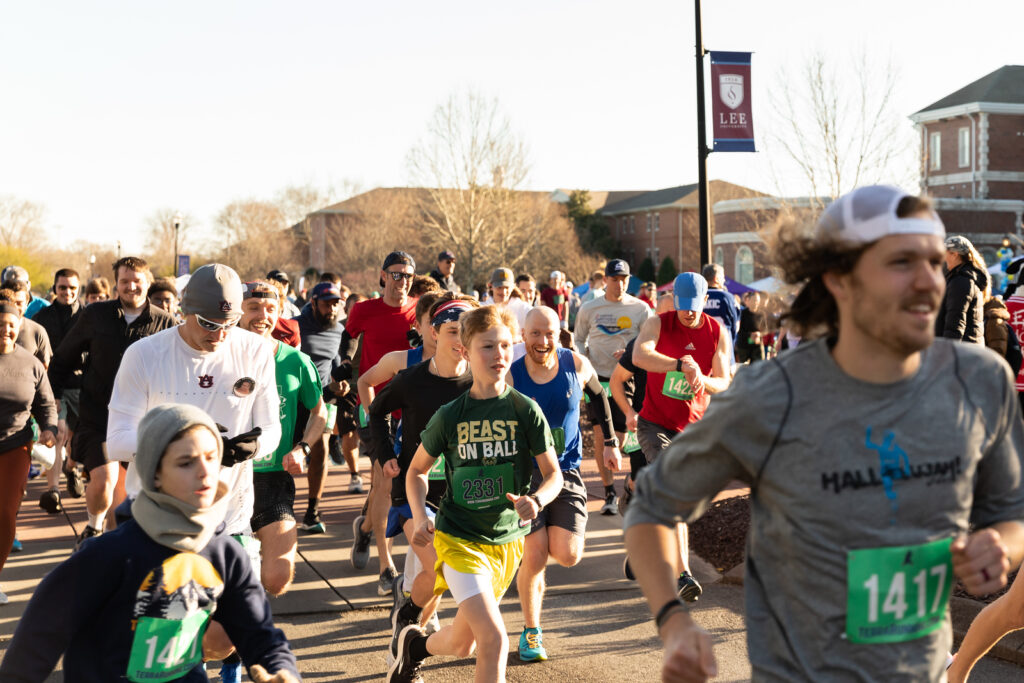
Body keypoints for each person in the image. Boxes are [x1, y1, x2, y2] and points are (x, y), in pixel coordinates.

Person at [625, 185, 1024, 681]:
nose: (927, 281)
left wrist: (999, 545)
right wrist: (673, 621)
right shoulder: (773, 395)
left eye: (931, 261)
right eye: (901, 262)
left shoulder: (979, 380)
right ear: (839, 279)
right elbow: (650, 508)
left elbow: (1014, 514)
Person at [0, 403, 300, 682]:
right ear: (154, 474)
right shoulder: (105, 556)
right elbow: (32, 647)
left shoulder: (224, 553)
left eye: (211, 457)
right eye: (185, 462)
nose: (204, 471)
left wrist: (281, 671)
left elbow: (262, 637)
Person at [105, 263, 281, 682]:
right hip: (158, 517)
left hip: (229, 515)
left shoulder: (255, 350)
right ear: (184, 310)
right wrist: (187, 446)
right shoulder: (144, 355)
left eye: (229, 322)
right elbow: (117, 440)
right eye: (207, 322)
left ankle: (202, 659)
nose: (219, 333)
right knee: (162, 645)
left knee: (225, 636)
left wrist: (255, 445)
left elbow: (272, 428)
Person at [389, 304, 563, 683]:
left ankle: (413, 647)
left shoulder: (525, 411)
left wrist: (538, 500)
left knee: (464, 643)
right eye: (487, 346)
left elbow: (554, 475)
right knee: (495, 638)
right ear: (466, 352)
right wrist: (420, 516)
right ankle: (413, 645)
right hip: (458, 540)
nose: (498, 355)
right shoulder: (451, 414)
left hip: (506, 543)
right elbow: (416, 470)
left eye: (504, 346)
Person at [510, 306, 621, 662]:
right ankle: (531, 632)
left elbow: (600, 396)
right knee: (536, 555)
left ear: (560, 333)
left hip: (567, 472)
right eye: (536, 334)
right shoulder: (511, 376)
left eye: (550, 333)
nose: (543, 341)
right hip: (525, 478)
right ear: (524, 336)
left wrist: (610, 443)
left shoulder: (576, 364)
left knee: (569, 555)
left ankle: (525, 564)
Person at [372, 295, 478, 651]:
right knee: (442, 566)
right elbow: (376, 411)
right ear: (434, 333)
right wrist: (386, 453)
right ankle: (408, 636)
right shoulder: (410, 380)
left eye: (468, 331)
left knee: (434, 576)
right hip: (413, 488)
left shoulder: (482, 383)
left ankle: (407, 621)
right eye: (453, 331)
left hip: (459, 494)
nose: (461, 340)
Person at [48, 257, 176, 541]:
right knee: (106, 479)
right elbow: (63, 359)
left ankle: (114, 540)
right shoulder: (95, 315)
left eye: (137, 281)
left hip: (144, 419)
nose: (131, 287)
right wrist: (54, 398)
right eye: (124, 281)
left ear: (147, 282)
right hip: (98, 416)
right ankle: (93, 529)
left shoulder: (165, 323)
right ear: (116, 283)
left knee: (128, 490)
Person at [628, 271, 733, 603]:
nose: (689, 312)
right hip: (653, 424)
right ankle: (684, 575)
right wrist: (679, 365)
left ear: (706, 301)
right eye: (683, 305)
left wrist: (702, 377)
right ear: (675, 301)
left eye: (695, 306)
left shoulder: (717, 332)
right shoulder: (659, 323)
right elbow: (639, 356)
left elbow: (724, 382)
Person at [239, 280, 327, 596]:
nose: (263, 315)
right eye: (253, 308)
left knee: (276, 577)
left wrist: (303, 448)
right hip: (226, 479)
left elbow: (319, 412)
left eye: (271, 309)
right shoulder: (220, 357)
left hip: (273, 480)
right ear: (238, 310)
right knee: (227, 583)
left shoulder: (295, 361)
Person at [337, 251, 418, 584]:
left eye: (408, 276)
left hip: (409, 407)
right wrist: (344, 362)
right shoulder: (364, 310)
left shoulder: (418, 309)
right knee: (384, 482)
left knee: (386, 481)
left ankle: (366, 526)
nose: (402, 281)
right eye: (396, 274)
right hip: (373, 406)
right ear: (383, 276)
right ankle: (387, 566)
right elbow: (349, 337)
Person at [358, 291, 445, 595]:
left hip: (445, 465)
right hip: (402, 447)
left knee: (429, 542)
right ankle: (385, 565)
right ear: (420, 327)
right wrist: (378, 438)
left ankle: (408, 587)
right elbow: (365, 382)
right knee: (384, 490)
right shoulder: (402, 361)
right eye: (433, 322)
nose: (441, 327)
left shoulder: (467, 363)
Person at [573, 258, 652, 514]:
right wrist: (583, 361)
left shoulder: (640, 308)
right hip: (597, 378)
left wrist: (631, 352)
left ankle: (627, 486)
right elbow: (578, 338)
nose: (619, 284)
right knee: (601, 435)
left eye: (624, 279)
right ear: (605, 280)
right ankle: (608, 492)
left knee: (621, 436)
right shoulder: (589, 308)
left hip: (627, 378)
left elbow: (649, 340)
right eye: (615, 279)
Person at [0, 299, 57, 605]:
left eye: (10, 325)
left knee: (6, 514)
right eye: (0, 324)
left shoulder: (31, 364)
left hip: (15, 445)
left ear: (18, 325)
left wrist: (48, 428)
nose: (5, 330)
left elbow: (46, 404)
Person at [294, 281, 347, 533]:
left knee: (321, 451)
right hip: (293, 399)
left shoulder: (338, 330)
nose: (332, 309)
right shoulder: (296, 325)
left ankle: (312, 512)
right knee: (287, 452)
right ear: (313, 302)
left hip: (323, 399)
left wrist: (342, 383)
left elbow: (335, 365)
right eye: (326, 303)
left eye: (336, 303)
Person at [33, 268, 83, 514]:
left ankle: (71, 468)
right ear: (55, 288)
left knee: (78, 438)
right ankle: (53, 490)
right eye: (63, 287)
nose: (67, 292)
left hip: (83, 386)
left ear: (79, 289)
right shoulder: (43, 317)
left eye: (72, 288)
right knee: (59, 434)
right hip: (52, 385)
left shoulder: (88, 315)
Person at [937, 235, 988, 343]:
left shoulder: (960, 281)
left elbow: (955, 322)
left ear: (955, 254)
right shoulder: (968, 278)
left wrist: (948, 353)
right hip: (969, 349)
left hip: (963, 352)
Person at [0, 281, 52, 366]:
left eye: (19, 303)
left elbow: (44, 368)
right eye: (10, 302)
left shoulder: (37, 332)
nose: (14, 307)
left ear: (27, 304)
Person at [701, 263, 739, 353]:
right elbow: (735, 325)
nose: (724, 280)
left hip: (700, 346)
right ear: (716, 279)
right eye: (723, 277)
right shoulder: (727, 298)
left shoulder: (698, 297)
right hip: (722, 347)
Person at [735, 290, 767, 363]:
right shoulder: (742, 313)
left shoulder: (762, 314)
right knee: (743, 367)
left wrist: (759, 334)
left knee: (758, 367)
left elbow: (765, 329)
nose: (756, 303)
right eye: (754, 300)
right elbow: (739, 329)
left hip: (757, 345)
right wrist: (750, 335)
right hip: (743, 346)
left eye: (757, 301)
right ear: (748, 301)